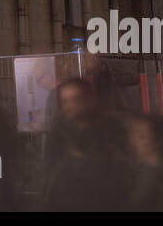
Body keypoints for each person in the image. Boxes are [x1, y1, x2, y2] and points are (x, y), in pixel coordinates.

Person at [44, 79, 132, 211]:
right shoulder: (57, 131)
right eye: (64, 101)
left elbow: (123, 168)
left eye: (75, 99)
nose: (69, 106)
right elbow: (50, 168)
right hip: (65, 202)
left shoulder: (111, 128)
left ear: (90, 100)